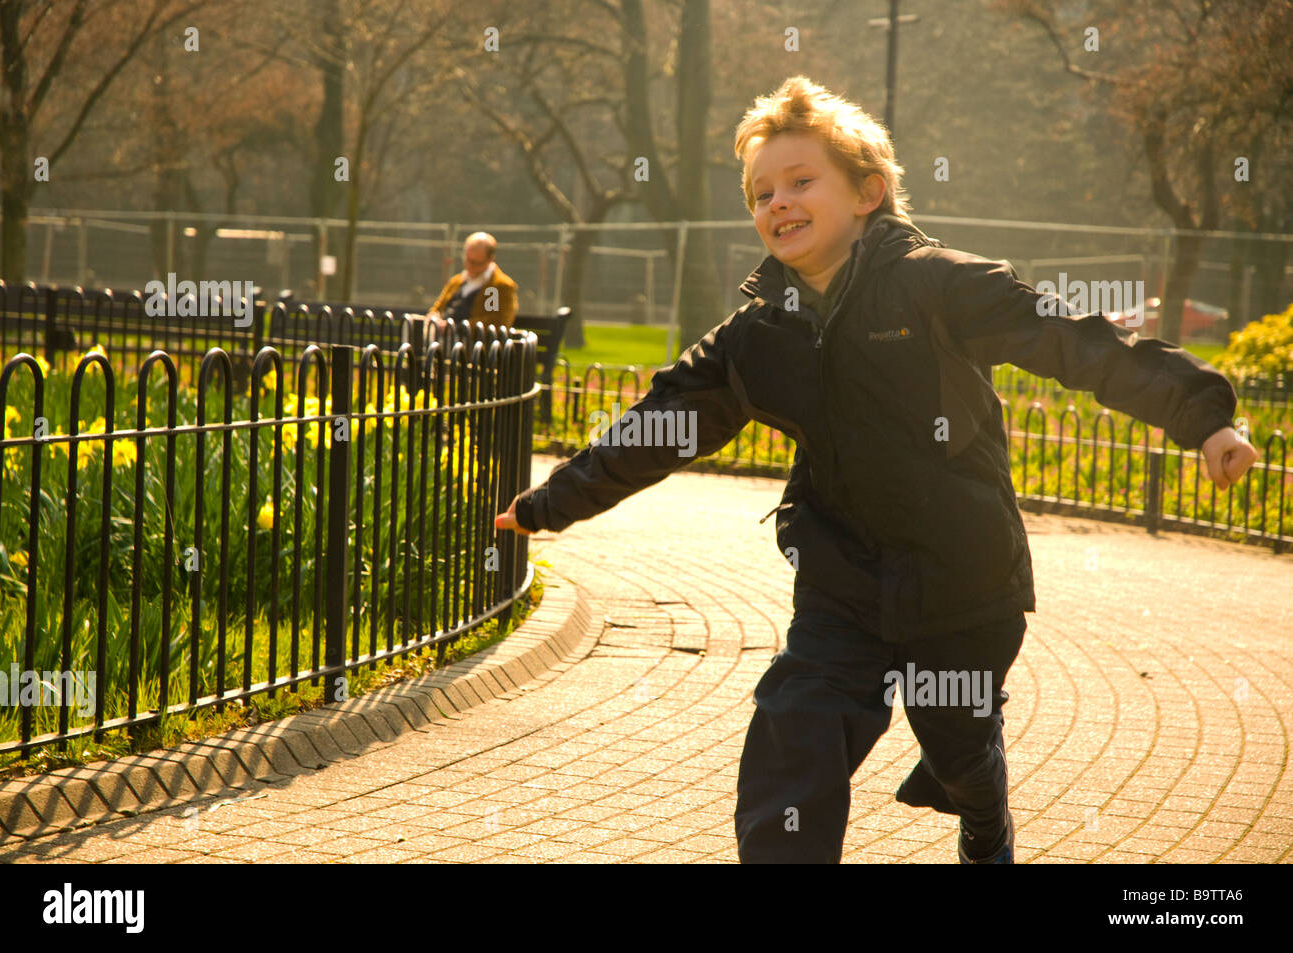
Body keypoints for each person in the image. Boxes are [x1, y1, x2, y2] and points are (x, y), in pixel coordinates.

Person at [494, 75, 1259, 864]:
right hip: (841, 582)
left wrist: (1202, 417)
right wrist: (550, 502)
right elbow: (659, 425)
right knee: (793, 738)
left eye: (799, 182)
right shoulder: (758, 336)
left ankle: (983, 817)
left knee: (957, 742)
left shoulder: (937, 285)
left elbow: (1072, 338)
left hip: (965, 580)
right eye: (760, 194)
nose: (777, 204)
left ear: (869, 192)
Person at [426, 231, 519, 334]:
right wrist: (434, 318)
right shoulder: (456, 281)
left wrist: (457, 327)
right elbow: (437, 308)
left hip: (471, 344)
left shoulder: (497, 286)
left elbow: (497, 321)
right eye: (467, 260)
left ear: (490, 260)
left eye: (476, 263)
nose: (469, 266)